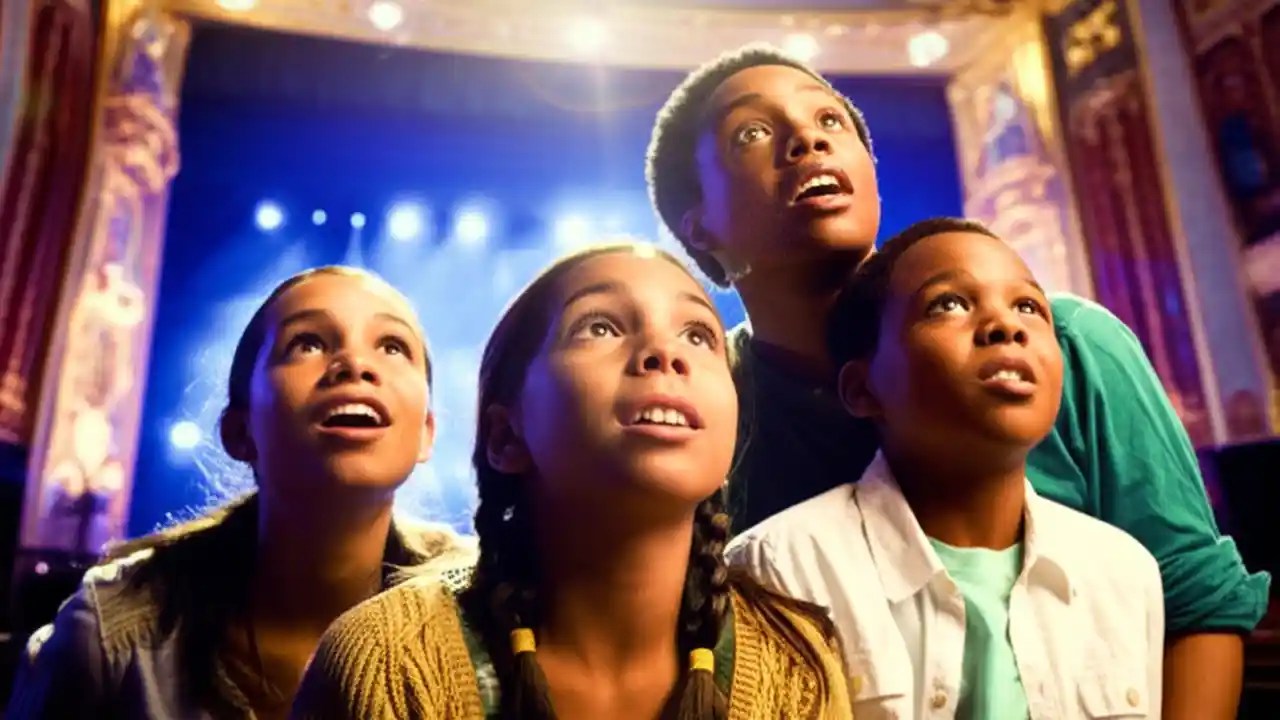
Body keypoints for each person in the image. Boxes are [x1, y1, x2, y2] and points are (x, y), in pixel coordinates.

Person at [644, 43, 1269, 718]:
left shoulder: (1066, 347)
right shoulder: (702, 404)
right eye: (753, 132)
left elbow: (1194, 602)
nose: (807, 139)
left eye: (832, 122)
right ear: (697, 222)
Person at [290, 243, 851, 719]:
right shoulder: (384, 661)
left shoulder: (798, 668)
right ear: (506, 437)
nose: (664, 354)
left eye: (699, 335)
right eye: (599, 325)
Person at [729, 217, 1165, 718]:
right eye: (947, 304)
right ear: (863, 389)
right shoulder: (780, 570)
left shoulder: (1123, 574)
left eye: (1028, 306)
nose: (1007, 326)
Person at [8, 266, 475, 720]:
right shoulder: (112, 633)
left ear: (426, 434)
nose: (355, 364)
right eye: (307, 342)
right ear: (239, 430)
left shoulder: (484, 611)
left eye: (393, 346)